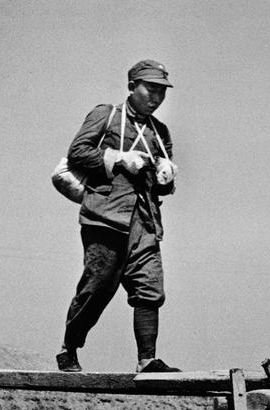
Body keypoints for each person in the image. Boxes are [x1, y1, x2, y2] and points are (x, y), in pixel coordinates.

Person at [56, 59, 180, 373]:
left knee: (150, 289)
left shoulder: (159, 133)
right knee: (97, 289)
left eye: (161, 91)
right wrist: (118, 158)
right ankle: (69, 348)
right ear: (131, 87)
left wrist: (167, 178)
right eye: (150, 89)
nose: (156, 97)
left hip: (146, 221)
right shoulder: (106, 115)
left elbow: (162, 188)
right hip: (105, 217)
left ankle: (147, 361)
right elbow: (78, 152)